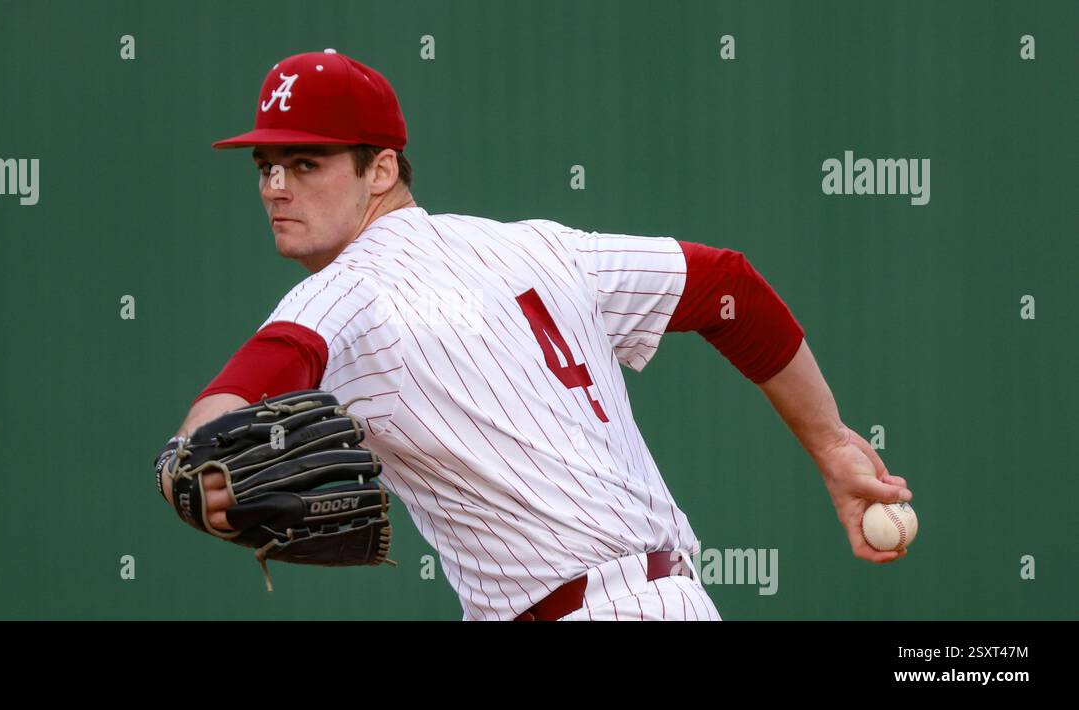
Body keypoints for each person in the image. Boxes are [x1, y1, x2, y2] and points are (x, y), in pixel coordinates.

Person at [157, 48, 913, 621]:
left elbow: (244, 388)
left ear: (380, 168)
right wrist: (834, 445)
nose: (276, 187)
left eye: (305, 161)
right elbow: (728, 288)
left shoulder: (342, 294)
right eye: (265, 165)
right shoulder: (544, 248)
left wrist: (184, 463)